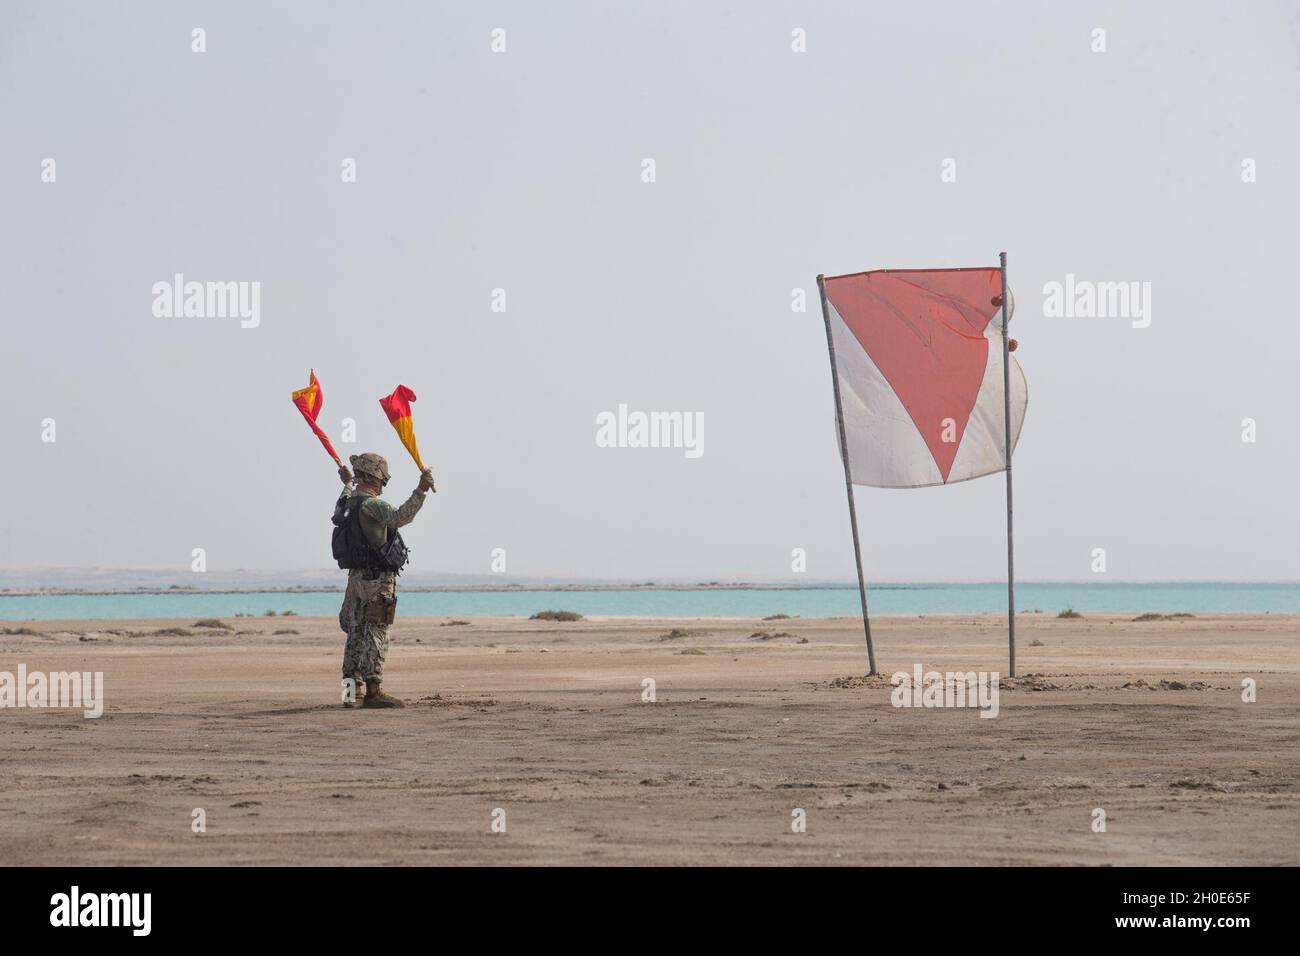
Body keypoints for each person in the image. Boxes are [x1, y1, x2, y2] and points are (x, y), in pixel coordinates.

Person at [334, 452, 435, 708]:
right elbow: (401, 517)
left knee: (355, 631)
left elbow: (344, 497)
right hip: (377, 578)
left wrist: (347, 482)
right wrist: (420, 491)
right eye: (380, 479)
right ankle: (373, 692)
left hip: (354, 578)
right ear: (373, 478)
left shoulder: (347, 502)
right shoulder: (371, 504)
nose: (381, 485)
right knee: (376, 630)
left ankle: (349, 692)